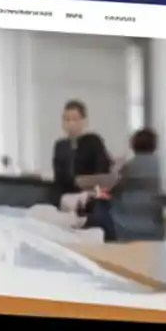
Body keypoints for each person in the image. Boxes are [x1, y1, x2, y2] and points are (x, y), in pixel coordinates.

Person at [50, 100, 116, 239]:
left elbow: (102, 175)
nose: (71, 124)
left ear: (84, 121)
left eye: (75, 119)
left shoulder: (93, 142)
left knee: (100, 218)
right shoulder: (61, 146)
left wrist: (89, 193)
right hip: (67, 200)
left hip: (92, 199)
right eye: (67, 119)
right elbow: (59, 178)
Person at [110, 127, 166, 241]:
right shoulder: (158, 163)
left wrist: (115, 169)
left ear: (133, 144)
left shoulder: (131, 165)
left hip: (128, 221)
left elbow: (116, 189)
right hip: (154, 221)